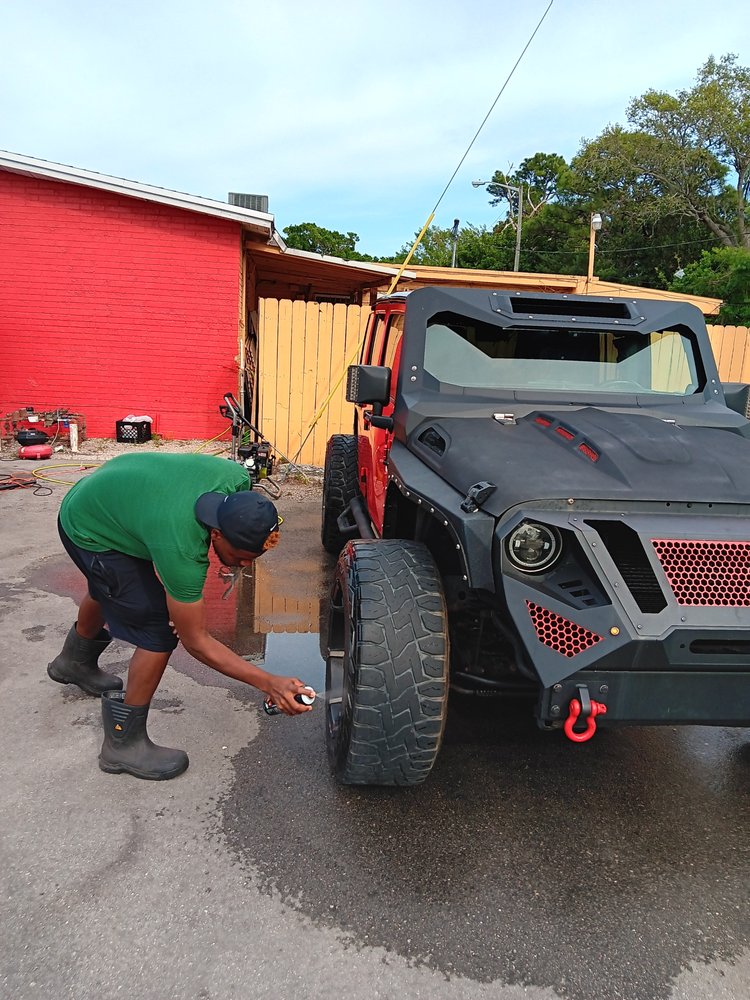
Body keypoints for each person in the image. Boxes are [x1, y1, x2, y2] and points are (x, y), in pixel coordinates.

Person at [48, 451, 313, 781]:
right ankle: (122, 744)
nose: (246, 565)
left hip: (114, 497)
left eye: (255, 556)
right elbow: (197, 643)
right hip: (89, 526)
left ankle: (73, 663)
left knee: (111, 586)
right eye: (242, 557)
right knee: (157, 630)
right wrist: (268, 682)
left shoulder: (235, 480)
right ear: (216, 534)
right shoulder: (183, 549)